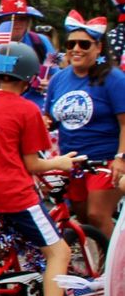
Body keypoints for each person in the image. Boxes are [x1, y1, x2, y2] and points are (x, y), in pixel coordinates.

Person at [0, 41, 80, 296]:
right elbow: (32, 163)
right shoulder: (27, 110)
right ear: (29, 77)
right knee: (59, 252)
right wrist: (61, 163)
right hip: (15, 195)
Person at [45, 12, 125, 238]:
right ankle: (97, 267)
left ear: (98, 48)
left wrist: (121, 158)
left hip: (105, 159)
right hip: (72, 161)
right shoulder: (58, 79)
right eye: (71, 43)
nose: (76, 49)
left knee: (97, 215)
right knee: (82, 219)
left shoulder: (114, 78)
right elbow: (51, 120)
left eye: (84, 44)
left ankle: (118, 269)